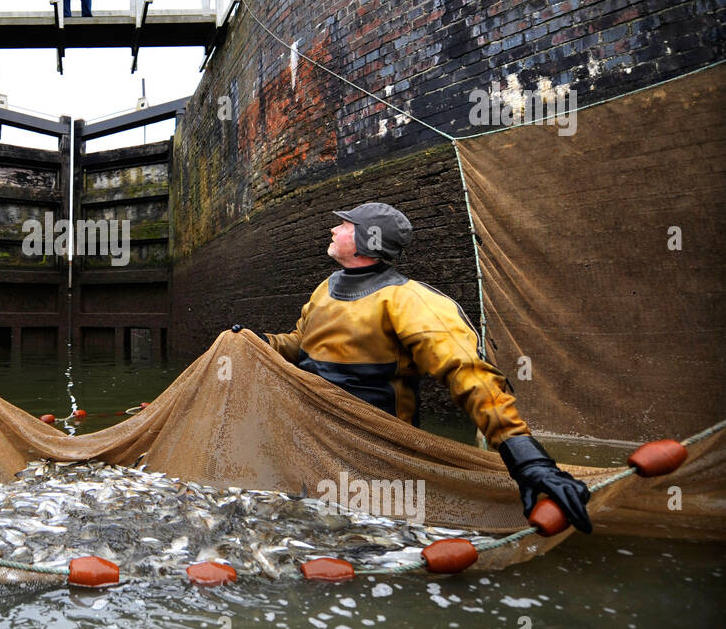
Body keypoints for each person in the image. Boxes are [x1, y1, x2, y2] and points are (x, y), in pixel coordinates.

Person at [232, 202, 592, 532]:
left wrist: (528, 460)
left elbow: (468, 373)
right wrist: (259, 342)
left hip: (376, 452)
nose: (333, 230)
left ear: (363, 241)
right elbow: (300, 343)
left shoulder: (410, 301)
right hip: (313, 438)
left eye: (343, 225)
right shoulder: (325, 288)